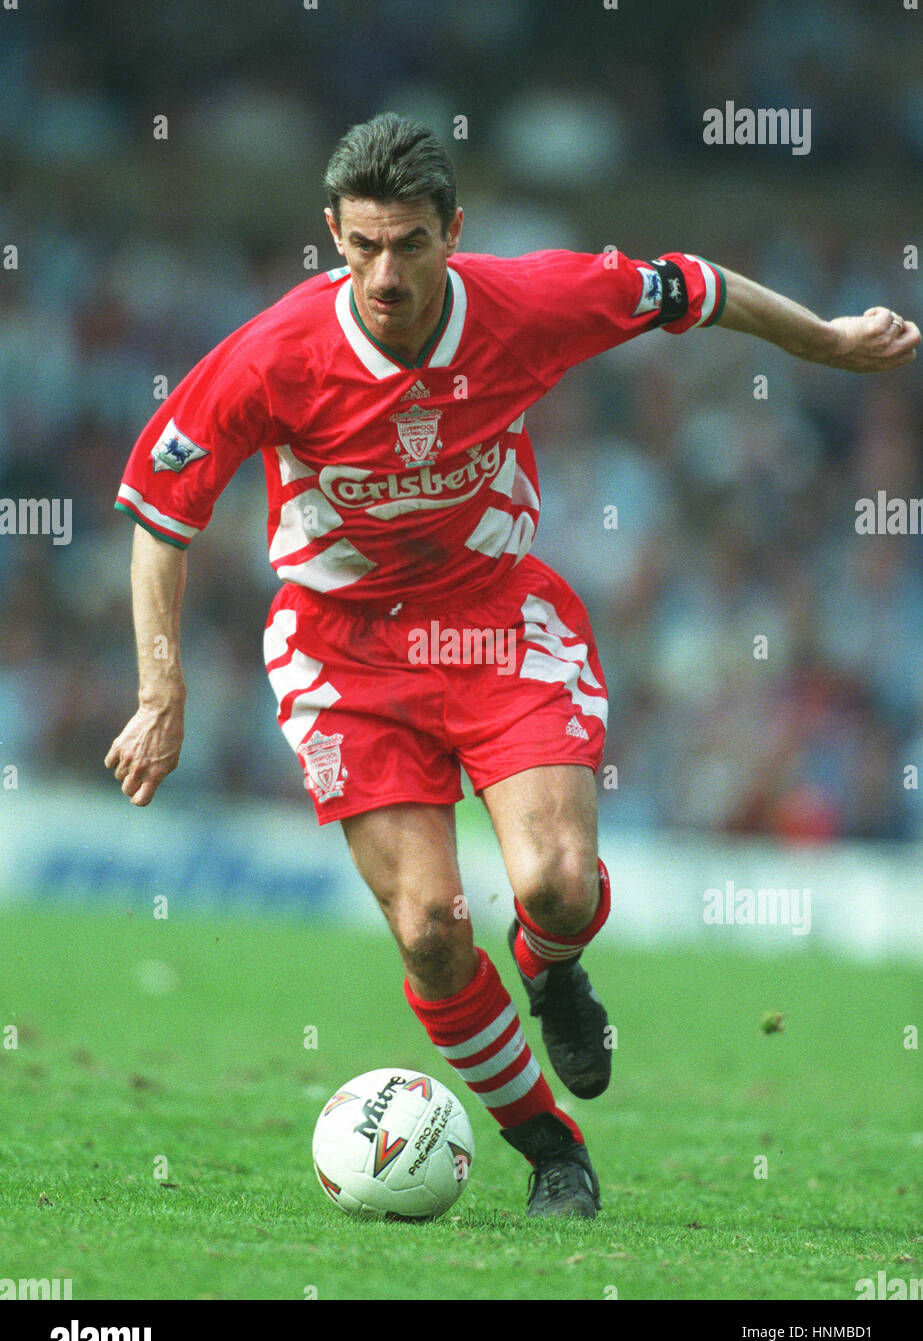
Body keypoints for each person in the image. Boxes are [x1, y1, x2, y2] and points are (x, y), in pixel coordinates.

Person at [105, 112, 919, 1219]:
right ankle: (549, 1146)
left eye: (407, 243)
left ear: (454, 230)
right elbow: (160, 510)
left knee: (555, 886)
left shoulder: (530, 300)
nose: (382, 274)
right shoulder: (272, 354)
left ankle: (551, 964)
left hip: (493, 621)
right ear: (331, 235)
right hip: (343, 651)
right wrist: (161, 687)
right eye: (359, 246)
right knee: (431, 929)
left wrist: (821, 340)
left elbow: (689, 285)